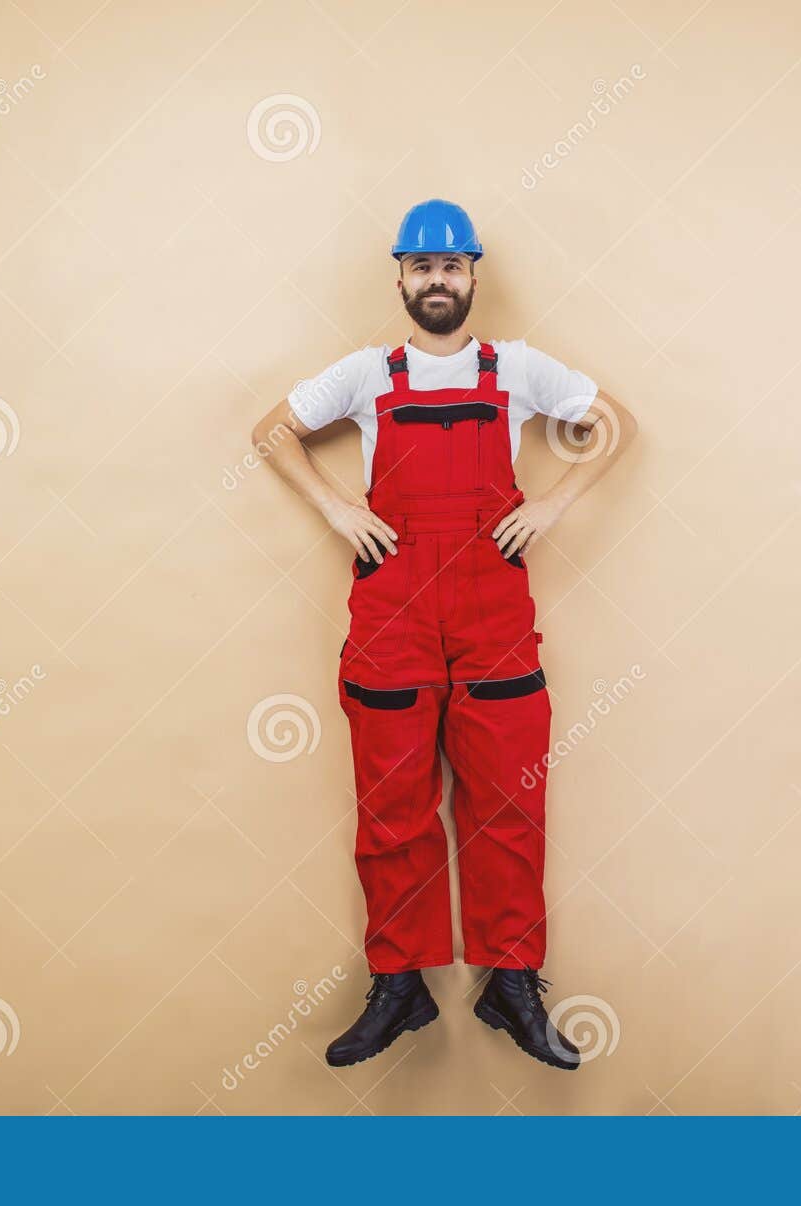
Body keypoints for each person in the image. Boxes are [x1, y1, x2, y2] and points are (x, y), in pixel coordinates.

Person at [251, 199, 637, 1071]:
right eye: (422, 268)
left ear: (472, 277)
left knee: (508, 803)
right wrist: (336, 507)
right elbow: (270, 432)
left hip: (491, 610)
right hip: (392, 613)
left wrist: (553, 503)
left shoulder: (519, 369)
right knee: (391, 806)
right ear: (400, 277)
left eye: (452, 266)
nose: (437, 280)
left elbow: (616, 423)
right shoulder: (364, 375)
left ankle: (511, 980)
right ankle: (400, 985)